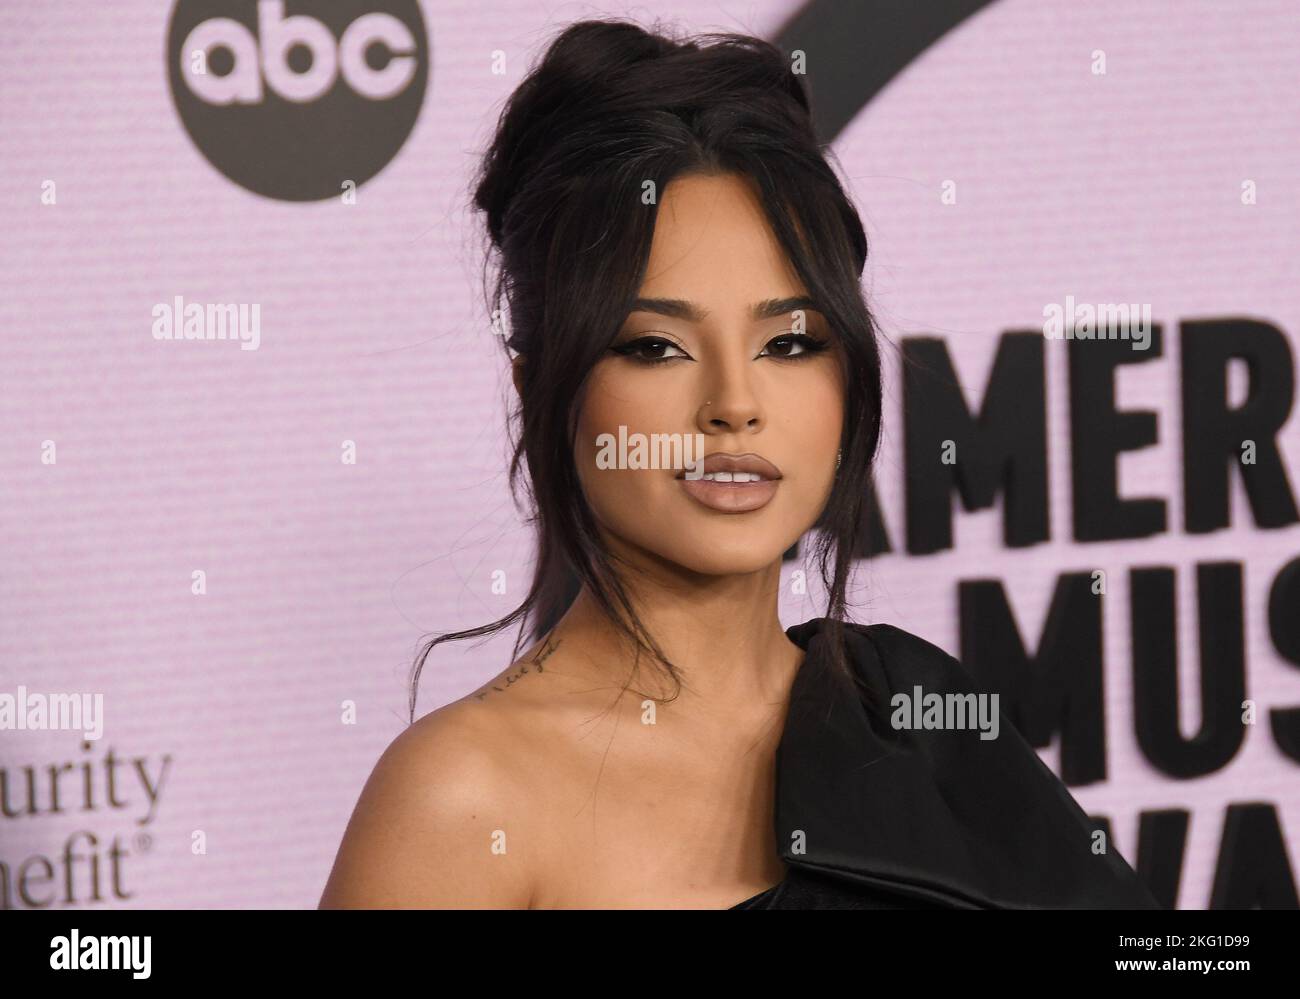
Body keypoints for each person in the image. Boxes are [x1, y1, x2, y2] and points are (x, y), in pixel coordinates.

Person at [319, 18, 1158, 909]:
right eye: (655, 346)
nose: (735, 402)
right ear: (539, 388)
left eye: (790, 342)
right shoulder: (462, 799)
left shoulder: (918, 719)